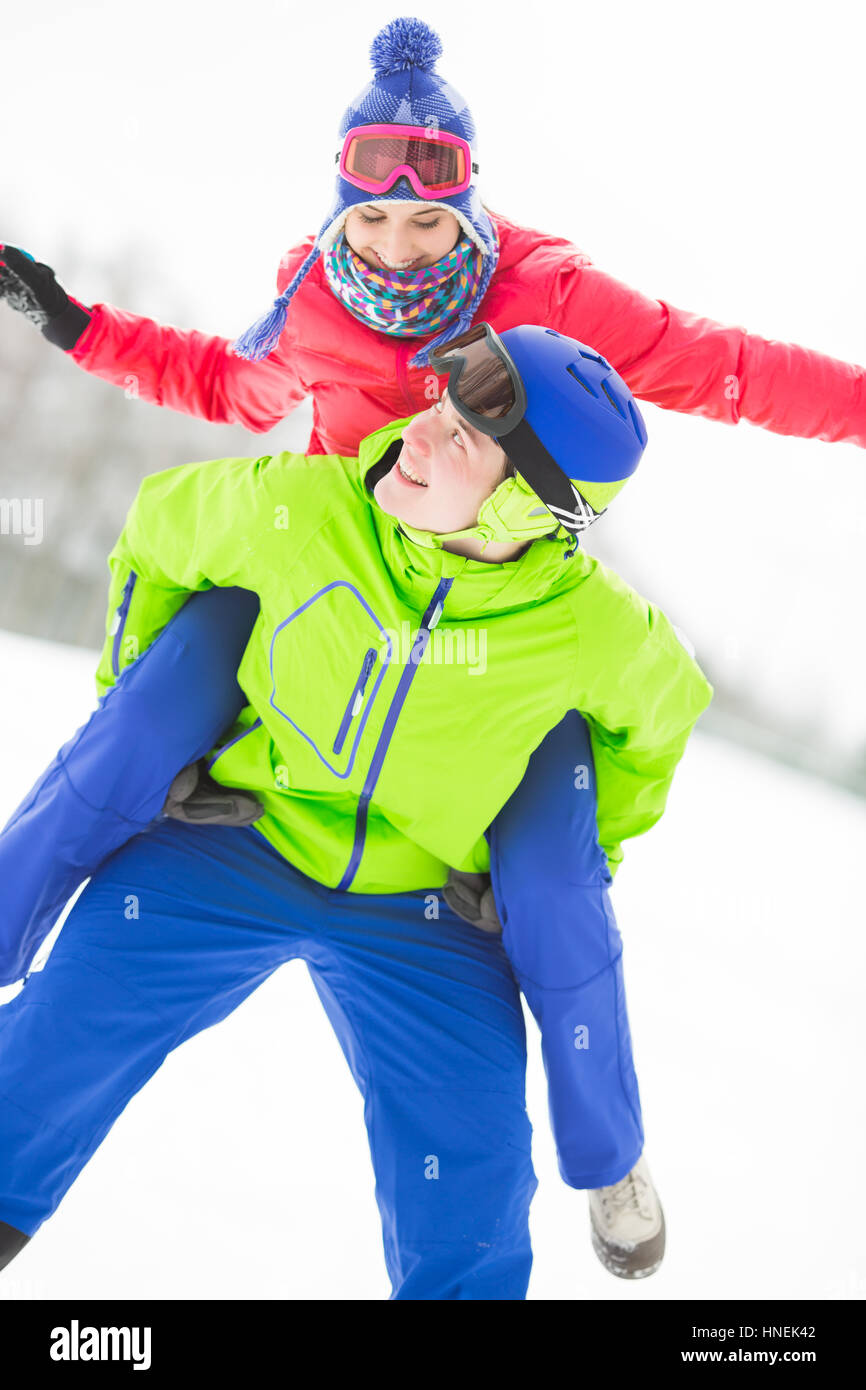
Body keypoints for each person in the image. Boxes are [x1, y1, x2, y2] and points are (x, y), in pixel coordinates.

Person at [0, 14, 860, 1276]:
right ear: (338, 209)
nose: (394, 247)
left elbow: (721, 369)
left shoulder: (547, 319)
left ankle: (605, 1156)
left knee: (555, 876)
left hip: (482, 643)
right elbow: (215, 403)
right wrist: (77, 328)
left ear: (469, 210)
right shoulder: (309, 319)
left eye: (425, 221)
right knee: (154, 708)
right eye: (368, 219)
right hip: (325, 584)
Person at [0, 321, 713, 1299]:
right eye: (435, 408)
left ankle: (609, 1161)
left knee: (470, 1170)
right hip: (237, 833)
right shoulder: (304, 510)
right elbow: (162, 531)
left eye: (461, 439)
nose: (417, 436)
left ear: (521, 503)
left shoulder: (594, 630)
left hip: (423, 911)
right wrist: (148, 698)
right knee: (59, 1038)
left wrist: (589, 845)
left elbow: (658, 723)